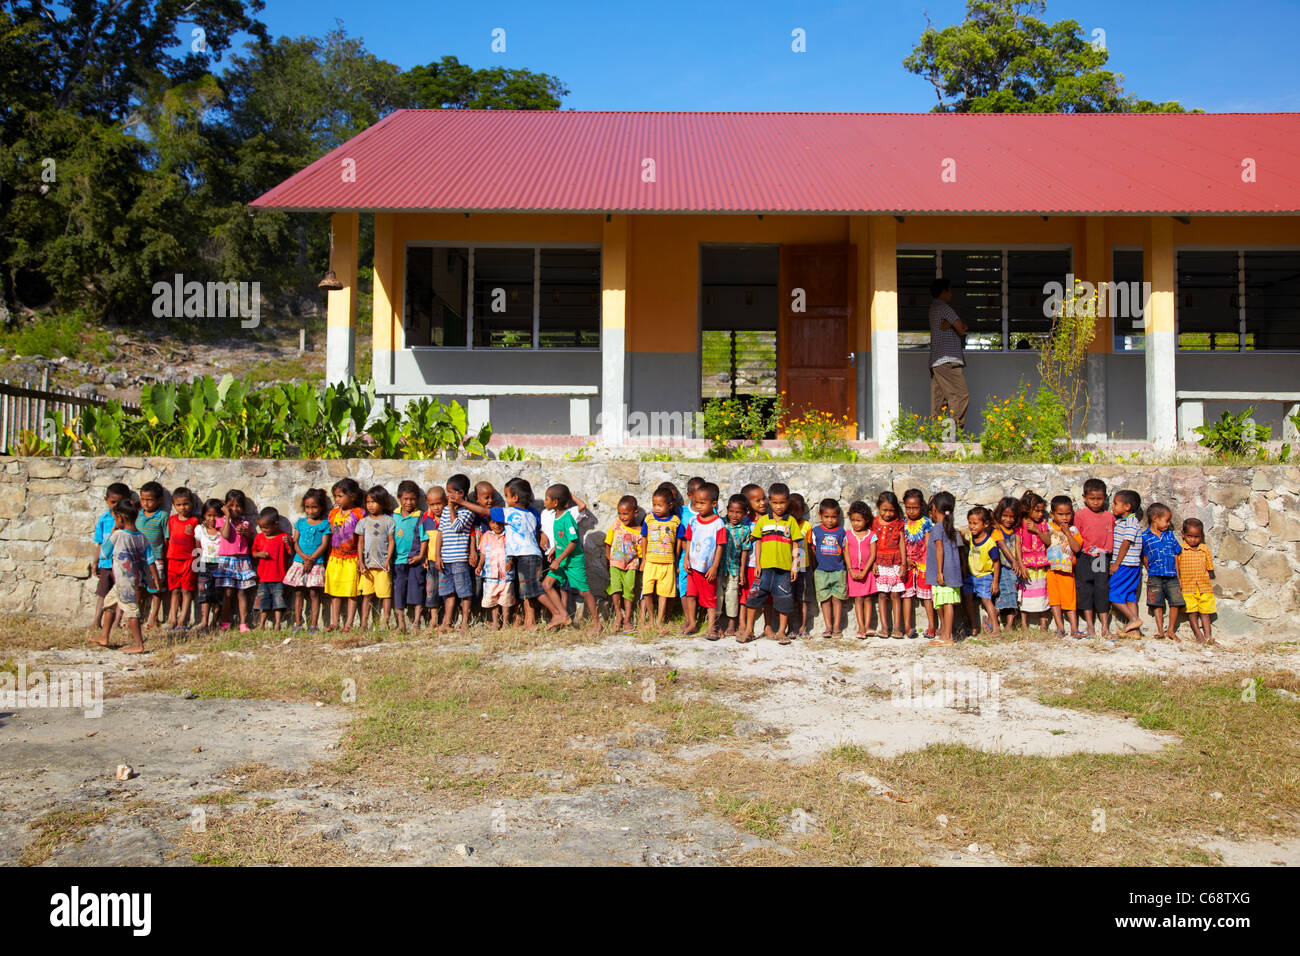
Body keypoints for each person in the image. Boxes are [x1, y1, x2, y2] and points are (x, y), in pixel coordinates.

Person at [94, 498, 157, 653]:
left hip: (124, 582)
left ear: (120, 518)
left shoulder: (119, 535)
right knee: (109, 604)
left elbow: (104, 553)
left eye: (115, 518)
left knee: (131, 611)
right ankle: (104, 636)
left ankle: (138, 644)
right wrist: (153, 579)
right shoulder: (141, 537)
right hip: (132, 579)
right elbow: (150, 560)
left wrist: (113, 532)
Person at [741, 482, 801, 645]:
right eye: (775, 503)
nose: (779, 506)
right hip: (765, 568)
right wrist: (758, 564)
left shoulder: (791, 522)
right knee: (754, 597)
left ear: (787, 501)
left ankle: (781, 631)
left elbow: (796, 544)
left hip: (784, 570)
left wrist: (795, 565)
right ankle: (749, 630)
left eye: (782, 503)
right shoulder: (763, 521)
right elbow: (758, 542)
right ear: (770, 501)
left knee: (784, 599)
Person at [541, 483, 600, 632]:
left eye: (546, 499)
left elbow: (573, 541)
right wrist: (556, 550)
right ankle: (563, 615)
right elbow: (563, 539)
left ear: (555, 502)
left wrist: (558, 560)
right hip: (562, 560)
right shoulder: (555, 516)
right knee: (547, 584)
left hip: (572, 562)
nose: (544, 502)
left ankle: (597, 624)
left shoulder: (567, 518)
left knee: (584, 592)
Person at [681, 482, 726, 637]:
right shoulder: (693, 521)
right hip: (692, 567)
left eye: (702, 503)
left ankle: (711, 627)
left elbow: (720, 546)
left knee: (710, 598)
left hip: (707, 569)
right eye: (696, 503)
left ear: (713, 504)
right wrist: (686, 559)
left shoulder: (718, 523)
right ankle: (692, 623)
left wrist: (714, 567)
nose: (698, 506)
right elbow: (688, 540)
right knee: (691, 594)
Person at [283, 488, 330, 632]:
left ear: (321, 507)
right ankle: (298, 623)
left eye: (314, 507)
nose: (310, 510)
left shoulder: (324, 524)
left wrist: (312, 559)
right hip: (299, 562)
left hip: (316, 563)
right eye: (308, 507)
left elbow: (324, 544)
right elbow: (295, 541)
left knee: (314, 593)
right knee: (298, 593)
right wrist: (304, 558)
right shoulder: (301, 522)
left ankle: (314, 625)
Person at [1074, 478, 1115, 638]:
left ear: (1104, 498)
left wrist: (1110, 558)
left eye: (1099, 498)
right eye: (1092, 498)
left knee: (1102, 589)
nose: (1096, 502)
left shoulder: (1109, 517)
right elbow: (1076, 536)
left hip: (1101, 558)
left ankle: (1105, 627)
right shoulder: (1080, 515)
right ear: (1084, 497)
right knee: (1085, 590)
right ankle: (1090, 626)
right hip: (1084, 557)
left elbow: (1110, 538)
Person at [928, 277, 970, 431]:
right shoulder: (945, 308)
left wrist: (952, 324)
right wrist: (957, 325)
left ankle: (939, 437)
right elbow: (962, 328)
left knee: (939, 402)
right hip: (948, 359)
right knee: (961, 395)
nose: (951, 294)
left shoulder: (933, 309)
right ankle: (951, 432)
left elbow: (955, 326)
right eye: (950, 290)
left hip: (936, 361)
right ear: (944, 291)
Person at [438, 475, 479, 633]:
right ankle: (447, 622)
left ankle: (465, 622)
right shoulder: (446, 511)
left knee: (464, 592)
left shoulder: (468, 511)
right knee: (448, 592)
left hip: (459, 559)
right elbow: (440, 533)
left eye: (450, 492)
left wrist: (450, 507)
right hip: (446, 558)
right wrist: (437, 556)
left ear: (460, 493)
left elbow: (456, 527)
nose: (447, 496)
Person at [639, 488, 683, 629]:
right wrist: (644, 560)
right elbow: (644, 539)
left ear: (670, 505)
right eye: (654, 504)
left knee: (664, 593)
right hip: (651, 562)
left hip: (667, 563)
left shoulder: (675, 522)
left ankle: (659, 621)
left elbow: (679, 542)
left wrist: (675, 560)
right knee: (647, 591)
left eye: (659, 505)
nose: (656, 508)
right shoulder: (649, 519)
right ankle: (651, 619)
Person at [325, 478, 365, 631]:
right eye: (335, 496)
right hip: (335, 558)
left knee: (351, 592)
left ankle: (348, 623)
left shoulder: (359, 514)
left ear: (353, 496)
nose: (337, 500)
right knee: (335, 592)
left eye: (340, 496)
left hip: (352, 559)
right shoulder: (333, 513)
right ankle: (334, 622)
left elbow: (362, 537)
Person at [215, 489, 257, 632]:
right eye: (231, 506)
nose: (234, 509)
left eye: (238, 506)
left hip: (242, 560)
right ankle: (225, 622)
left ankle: (243, 623)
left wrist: (246, 534)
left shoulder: (245, 523)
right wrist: (227, 517)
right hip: (227, 561)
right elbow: (226, 535)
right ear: (225, 506)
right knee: (227, 593)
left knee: (242, 592)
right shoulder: (220, 521)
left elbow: (250, 542)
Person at [91, 482, 131, 632]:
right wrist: (95, 562)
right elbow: (100, 543)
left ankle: (116, 622)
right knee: (102, 593)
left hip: (121, 564)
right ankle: (96, 621)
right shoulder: (104, 519)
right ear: (106, 500)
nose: (116, 505)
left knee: (120, 594)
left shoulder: (128, 520)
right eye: (113, 502)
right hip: (106, 563)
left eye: (119, 502)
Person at [925, 491, 964, 646]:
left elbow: (939, 549)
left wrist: (940, 572)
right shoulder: (951, 528)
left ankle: (947, 636)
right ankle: (946, 632)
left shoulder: (938, 528)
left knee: (946, 604)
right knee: (946, 603)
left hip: (944, 573)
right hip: (952, 572)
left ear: (934, 509)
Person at [1141, 502, 1184, 641]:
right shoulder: (1145, 537)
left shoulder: (1169, 535)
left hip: (1171, 575)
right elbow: (1145, 557)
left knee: (1176, 602)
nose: (1169, 524)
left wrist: (1179, 575)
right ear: (1155, 518)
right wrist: (1150, 571)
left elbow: (1177, 555)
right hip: (1155, 575)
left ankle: (1171, 630)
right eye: (1166, 520)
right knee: (1157, 603)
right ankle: (1160, 630)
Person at [356, 486, 396, 630]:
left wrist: (388, 560)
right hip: (367, 566)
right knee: (366, 595)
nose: (370, 505)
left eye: (374, 502)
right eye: (368, 502)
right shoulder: (363, 522)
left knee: (385, 595)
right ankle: (364, 624)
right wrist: (360, 561)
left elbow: (391, 541)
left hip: (383, 566)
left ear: (383, 502)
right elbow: (360, 543)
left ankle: (385, 623)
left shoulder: (389, 521)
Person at [1045, 496, 1083, 637]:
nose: (1064, 518)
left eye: (1068, 514)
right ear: (1052, 514)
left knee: (1069, 600)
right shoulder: (1047, 527)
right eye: (1060, 514)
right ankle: (1060, 627)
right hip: (1051, 570)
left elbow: (1077, 548)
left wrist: (1067, 532)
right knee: (1055, 600)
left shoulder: (1073, 530)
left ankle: (1074, 628)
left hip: (1067, 571)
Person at [1108, 490, 1145, 636]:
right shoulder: (1123, 521)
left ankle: (1133, 619)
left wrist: (1116, 564)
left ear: (1127, 506)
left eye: (1116, 504)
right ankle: (1134, 632)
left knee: (1113, 594)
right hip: (1133, 565)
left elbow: (1126, 543)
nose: (1113, 507)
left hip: (1125, 564)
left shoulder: (1130, 522)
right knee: (1130, 596)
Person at [604, 495, 643, 633]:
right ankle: (618, 615)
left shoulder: (639, 531)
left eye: (625, 513)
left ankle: (627, 618)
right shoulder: (616, 525)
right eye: (620, 513)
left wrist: (642, 563)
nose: (622, 517)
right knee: (615, 589)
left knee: (629, 591)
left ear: (635, 513)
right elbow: (608, 543)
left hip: (631, 565)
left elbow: (640, 551)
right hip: (615, 564)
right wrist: (609, 559)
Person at [717, 494, 753, 639]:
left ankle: (732, 624)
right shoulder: (720, 524)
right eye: (731, 511)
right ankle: (716, 624)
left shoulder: (745, 529)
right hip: (719, 568)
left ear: (745, 513)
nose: (734, 515)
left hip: (734, 569)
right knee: (718, 597)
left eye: (738, 512)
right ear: (727, 510)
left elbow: (744, 551)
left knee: (732, 597)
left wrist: (742, 572)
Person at [391, 480, 424, 632]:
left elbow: (424, 539)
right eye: (405, 499)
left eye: (412, 499)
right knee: (399, 591)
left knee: (417, 589)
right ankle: (401, 624)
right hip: (398, 561)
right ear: (399, 499)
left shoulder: (420, 517)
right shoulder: (394, 516)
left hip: (415, 560)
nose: (409, 502)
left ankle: (416, 623)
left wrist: (421, 556)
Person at [812, 498, 848, 638]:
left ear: (838, 516)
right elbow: (813, 550)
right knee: (825, 600)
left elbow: (845, 550)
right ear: (820, 515)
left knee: (837, 599)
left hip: (839, 571)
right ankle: (828, 627)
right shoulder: (816, 532)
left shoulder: (841, 532)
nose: (830, 520)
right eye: (826, 517)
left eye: (833, 517)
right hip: (821, 571)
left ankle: (837, 627)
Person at [164, 487, 199, 631]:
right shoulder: (171, 520)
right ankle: (172, 618)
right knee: (174, 591)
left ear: (191, 504)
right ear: (174, 505)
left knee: (186, 591)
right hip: (173, 560)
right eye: (178, 505)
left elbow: (197, 543)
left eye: (185, 504)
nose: (182, 507)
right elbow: (168, 539)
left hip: (189, 561)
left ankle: (182, 619)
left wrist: (197, 563)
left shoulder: (194, 521)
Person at [901, 489, 934, 639]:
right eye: (908, 507)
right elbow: (900, 542)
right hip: (907, 563)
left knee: (927, 597)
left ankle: (932, 626)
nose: (911, 511)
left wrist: (926, 561)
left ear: (921, 507)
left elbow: (928, 543)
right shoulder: (902, 522)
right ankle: (907, 626)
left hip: (923, 564)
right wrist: (905, 559)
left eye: (915, 508)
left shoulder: (926, 522)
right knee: (907, 596)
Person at [251, 507, 292, 630]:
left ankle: (277, 624)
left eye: (266, 527)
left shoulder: (283, 537)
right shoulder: (259, 537)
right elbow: (253, 552)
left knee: (278, 602)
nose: (263, 530)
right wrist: (259, 554)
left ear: (276, 524)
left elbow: (291, 554)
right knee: (263, 602)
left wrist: (289, 543)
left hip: (278, 577)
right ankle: (261, 624)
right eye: (261, 527)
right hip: (263, 577)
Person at [872, 492, 905, 638]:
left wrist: (904, 563)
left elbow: (902, 543)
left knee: (895, 594)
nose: (888, 513)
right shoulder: (873, 523)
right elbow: (871, 544)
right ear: (878, 507)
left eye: (891, 510)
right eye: (884, 510)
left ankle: (897, 628)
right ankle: (884, 627)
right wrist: (873, 562)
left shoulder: (898, 523)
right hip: (879, 563)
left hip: (895, 563)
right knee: (882, 595)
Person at [1177, 518, 1215, 644]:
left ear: (1201, 536)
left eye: (1196, 537)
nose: (1193, 539)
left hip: (1204, 587)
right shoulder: (1180, 550)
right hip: (1188, 587)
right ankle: (1199, 636)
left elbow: (1209, 569)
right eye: (1189, 536)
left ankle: (1208, 636)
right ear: (1183, 534)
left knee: (1205, 612)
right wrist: (1179, 581)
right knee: (1192, 612)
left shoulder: (1205, 550)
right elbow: (1176, 566)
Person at [964, 506, 1001, 636]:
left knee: (986, 600)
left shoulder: (990, 543)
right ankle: (974, 625)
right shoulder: (971, 537)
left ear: (985, 524)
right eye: (970, 523)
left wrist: (995, 581)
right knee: (967, 598)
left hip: (985, 576)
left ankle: (996, 627)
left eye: (975, 523)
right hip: (971, 576)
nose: (971, 526)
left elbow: (996, 563)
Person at [1017, 492, 1052, 629]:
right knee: (1025, 594)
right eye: (1036, 511)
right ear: (1027, 509)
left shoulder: (1043, 524)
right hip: (1027, 565)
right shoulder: (1020, 524)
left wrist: (1037, 530)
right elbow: (1018, 546)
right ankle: (1024, 624)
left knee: (1042, 593)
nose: (1039, 514)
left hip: (1041, 565)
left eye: (1041, 511)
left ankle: (1043, 624)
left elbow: (1047, 541)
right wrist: (1020, 564)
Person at [137, 481, 169, 630]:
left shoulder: (162, 516)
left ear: (159, 500)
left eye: (149, 500)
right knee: (139, 587)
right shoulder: (138, 515)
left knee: (156, 588)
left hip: (156, 557)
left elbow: (166, 538)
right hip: (138, 558)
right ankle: (136, 616)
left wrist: (164, 554)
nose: (146, 503)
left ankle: (153, 617)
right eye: (143, 499)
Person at [990, 497, 1025, 631]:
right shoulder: (997, 530)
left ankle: (1009, 625)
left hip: (1013, 569)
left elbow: (1017, 546)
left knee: (1012, 595)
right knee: (1005, 594)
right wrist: (1014, 562)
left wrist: (1019, 564)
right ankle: (991, 621)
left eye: (1012, 517)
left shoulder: (1015, 531)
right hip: (1004, 568)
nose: (1008, 520)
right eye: (1005, 516)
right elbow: (1003, 546)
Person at [845, 501, 877, 637]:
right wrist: (851, 570)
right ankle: (861, 627)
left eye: (859, 520)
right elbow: (845, 552)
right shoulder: (848, 535)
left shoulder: (871, 535)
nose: (855, 523)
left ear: (866, 520)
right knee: (858, 599)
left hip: (867, 572)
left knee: (868, 599)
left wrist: (865, 571)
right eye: (853, 520)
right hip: (853, 572)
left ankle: (868, 625)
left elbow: (873, 554)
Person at [477, 517, 515, 630]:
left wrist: (511, 561)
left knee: (505, 599)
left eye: (499, 523)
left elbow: (513, 550)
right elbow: (483, 553)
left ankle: (505, 623)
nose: (496, 525)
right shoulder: (487, 536)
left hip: (505, 574)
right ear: (489, 523)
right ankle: (495, 622)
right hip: (490, 573)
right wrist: (479, 565)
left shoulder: (508, 535)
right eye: (493, 523)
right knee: (492, 598)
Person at [194, 499, 224, 630]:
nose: (212, 518)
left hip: (220, 565)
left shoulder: (222, 531)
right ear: (204, 515)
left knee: (218, 595)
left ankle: (215, 621)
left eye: (216, 515)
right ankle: (204, 621)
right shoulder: (200, 529)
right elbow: (198, 547)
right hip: (205, 564)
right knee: (204, 594)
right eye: (209, 515)